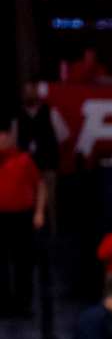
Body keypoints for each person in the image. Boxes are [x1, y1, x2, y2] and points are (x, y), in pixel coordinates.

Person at [0, 125, 45, 318]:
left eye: (2, 138)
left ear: (10, 138)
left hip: (22, 217)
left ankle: (23, 305)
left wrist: (39, 212)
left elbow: (40, 185)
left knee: (23, 263)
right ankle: (4, 304)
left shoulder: (24, 159)